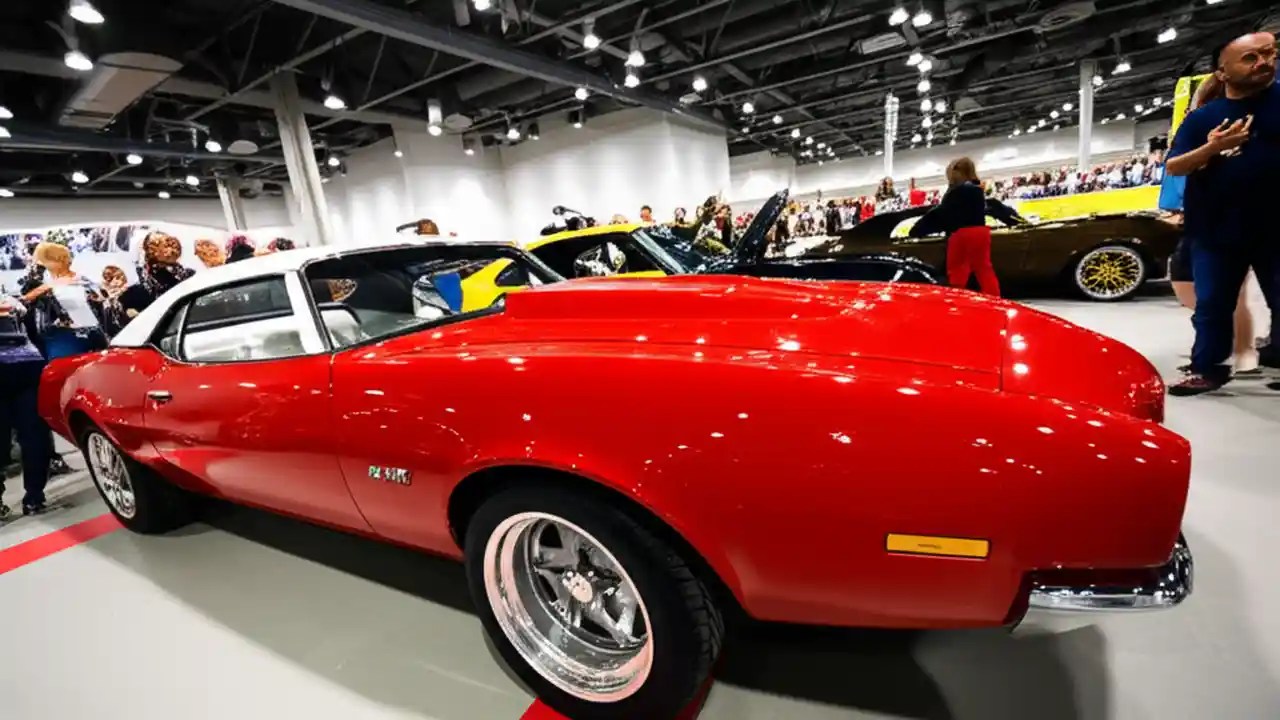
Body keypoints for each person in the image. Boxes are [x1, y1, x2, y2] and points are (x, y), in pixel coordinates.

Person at [1165, 31, 1279, 395]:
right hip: (1215, 230)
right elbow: (1175, 166)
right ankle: (1207, 369)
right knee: (1212, 305)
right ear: (1223, 72)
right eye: (1250, 58)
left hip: (1275, 228)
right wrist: (1213, 148)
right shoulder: (1204, 119)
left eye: (1269, 54)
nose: (1263, 62)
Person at [0, 294, 56, 517]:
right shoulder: (10, 300)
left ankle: (34, 494)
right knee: (32, 433)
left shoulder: (10, 300)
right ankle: (33, 497)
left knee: (34, 433)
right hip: (27, 364)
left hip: (26, 367)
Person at [914, 157, 1001, 296]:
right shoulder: (977, 189)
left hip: (961, 234)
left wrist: (918, 229)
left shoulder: (956, 191)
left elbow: (941, 213)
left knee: (957, 271)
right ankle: (996, 299)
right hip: (981, 232)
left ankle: (957, 298)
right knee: (983, 269)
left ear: (957, 172)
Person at [20, 242, 106, 359]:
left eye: (41, 262)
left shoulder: (69, 284)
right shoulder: (82, 280)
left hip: (67, 338)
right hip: (85, 335)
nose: (37, 265)